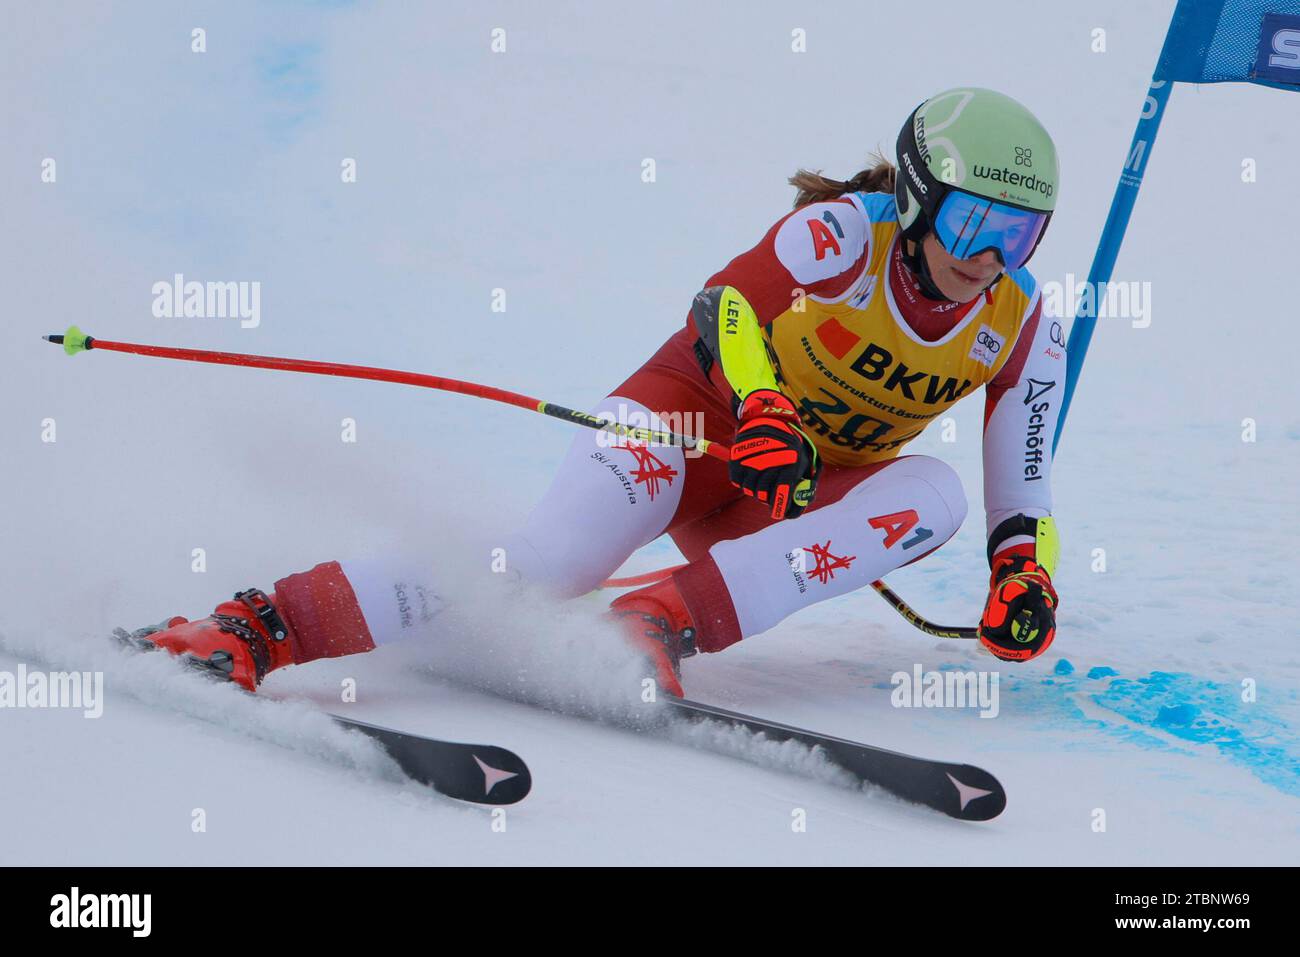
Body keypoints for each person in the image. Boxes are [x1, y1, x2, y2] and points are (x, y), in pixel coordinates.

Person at [127, 87, 1064, 699]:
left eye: (1018, 237)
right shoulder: (842, 239)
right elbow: (726, 306)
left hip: (783, 494)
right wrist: (767, 404)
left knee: (934, 496)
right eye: (973, 221)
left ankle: (659, 619)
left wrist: (1024, 572)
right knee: (551, 562)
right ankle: (262, 624)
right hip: (685, 430)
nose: (987, 259)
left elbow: (1021, 490)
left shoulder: (1019, 321)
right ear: (915, 193)